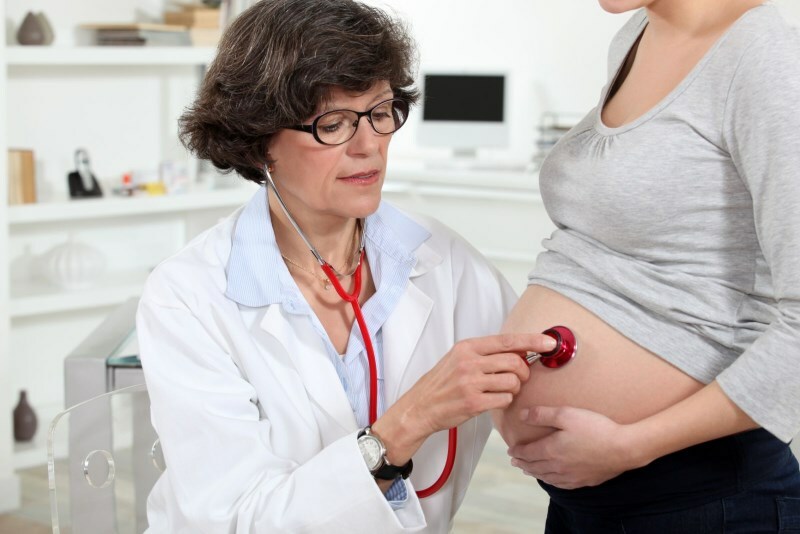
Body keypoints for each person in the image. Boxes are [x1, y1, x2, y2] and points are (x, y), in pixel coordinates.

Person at [135, 0, 554, 532]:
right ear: (260, 139)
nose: (369, 146)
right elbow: (237, 519)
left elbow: (549, 380)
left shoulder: (442, 260)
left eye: (380, 113)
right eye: (333, 123)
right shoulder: (188, 295)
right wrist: (409, 422)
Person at [493, 0, 800, 531]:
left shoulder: (765, 57)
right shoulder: (638, 33)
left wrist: (634, 444)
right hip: (589, 499)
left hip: (703, 500)